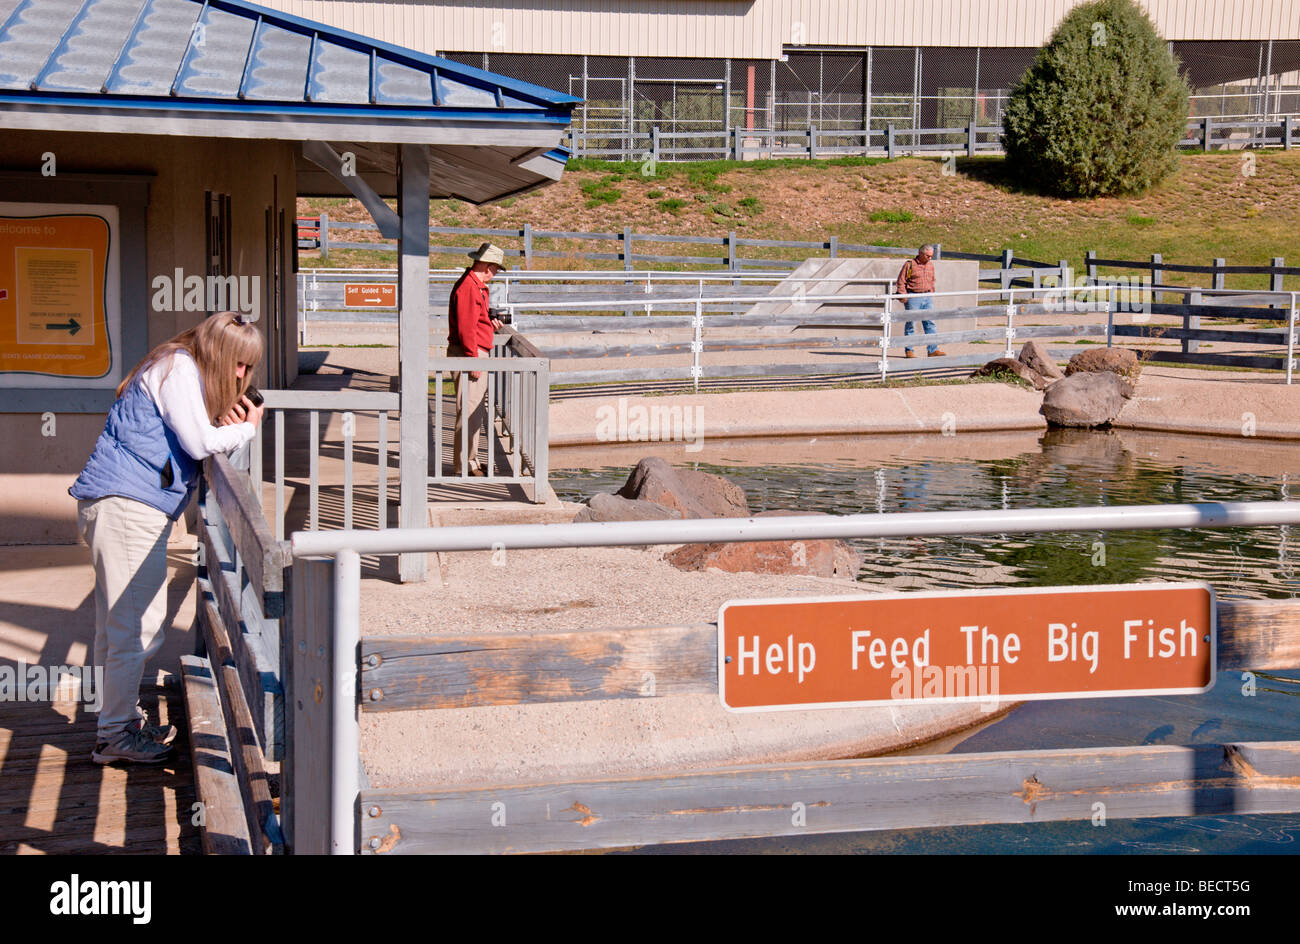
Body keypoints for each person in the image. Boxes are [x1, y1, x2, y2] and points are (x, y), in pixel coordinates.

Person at [69, 311, 265, 764]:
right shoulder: (179, 367)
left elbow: (196, 437)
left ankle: (116, 723)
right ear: (219, 352)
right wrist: (247, 427)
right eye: (239, 363)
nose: (241, 375)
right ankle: (115, 735)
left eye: (248, 368)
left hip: (122, 506)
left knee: (116, 627)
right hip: (128, 509)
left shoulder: (177, 363)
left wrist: (226, 425)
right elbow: (199, 444)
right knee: (138, 627)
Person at [447, 242, 504, 476]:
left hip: (472, 351)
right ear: (489, 267)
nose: (497, 273)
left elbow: (473, 321)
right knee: (470, 410)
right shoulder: (470, 287)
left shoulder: (473, 285)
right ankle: (465, 465)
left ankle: (471, 460)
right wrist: (473, 360)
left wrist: (488, 321)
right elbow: (466, 328)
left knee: (475, 410)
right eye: (497, 269)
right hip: (470, 353)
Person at [896, 243, 947, 358]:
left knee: (930, 323)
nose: (930, 258)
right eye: (928, 256)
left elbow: (932, 279)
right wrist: (903, 295)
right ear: (920, 254)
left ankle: (932, 349)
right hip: (913, 297)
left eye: (931, 256)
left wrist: (931, 290)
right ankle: (909, 350)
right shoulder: (910, 265)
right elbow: (901, 281)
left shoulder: (930, 265)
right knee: (911, 324)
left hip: (927, 296)